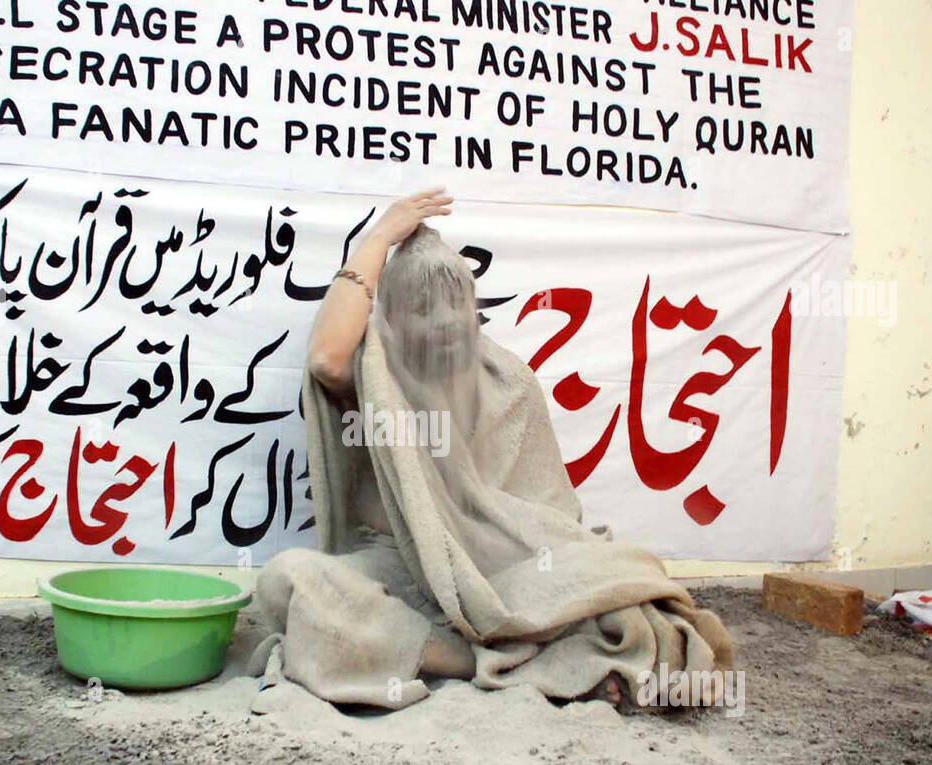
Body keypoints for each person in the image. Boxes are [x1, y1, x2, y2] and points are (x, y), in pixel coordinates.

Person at [248, 188, 733, 711]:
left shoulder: (509, 382)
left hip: (498, 570)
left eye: (455, 305)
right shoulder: (378, 373)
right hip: (398, 569)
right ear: (392, 321)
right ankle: (469, 657)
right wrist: (382, 235)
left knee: (621, 588)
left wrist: (552, 570)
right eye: (422, 309)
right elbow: (325, 358)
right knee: (286, 582)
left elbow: (547, 513)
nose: (444, 322)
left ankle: (492, 641)